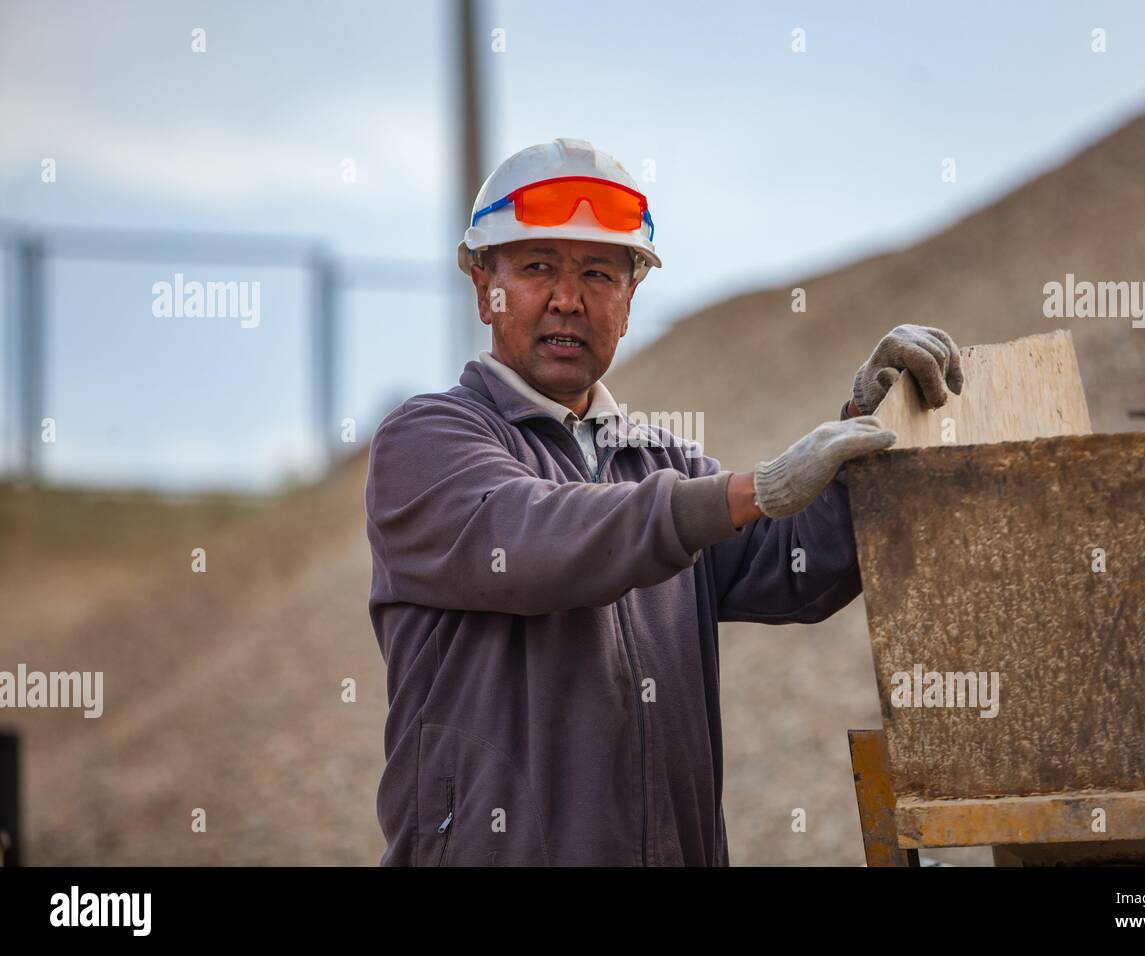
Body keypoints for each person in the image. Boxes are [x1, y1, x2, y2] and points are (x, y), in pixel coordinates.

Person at [364, 137, 963, 866]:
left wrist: (870, 435)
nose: (568, 298)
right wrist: (750, 491)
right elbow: (537, 540)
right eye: (536, 267)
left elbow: (795, 562)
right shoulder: (426, 442)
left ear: (631, 295)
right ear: (481, 283)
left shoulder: (658, 459)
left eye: (598, 273)